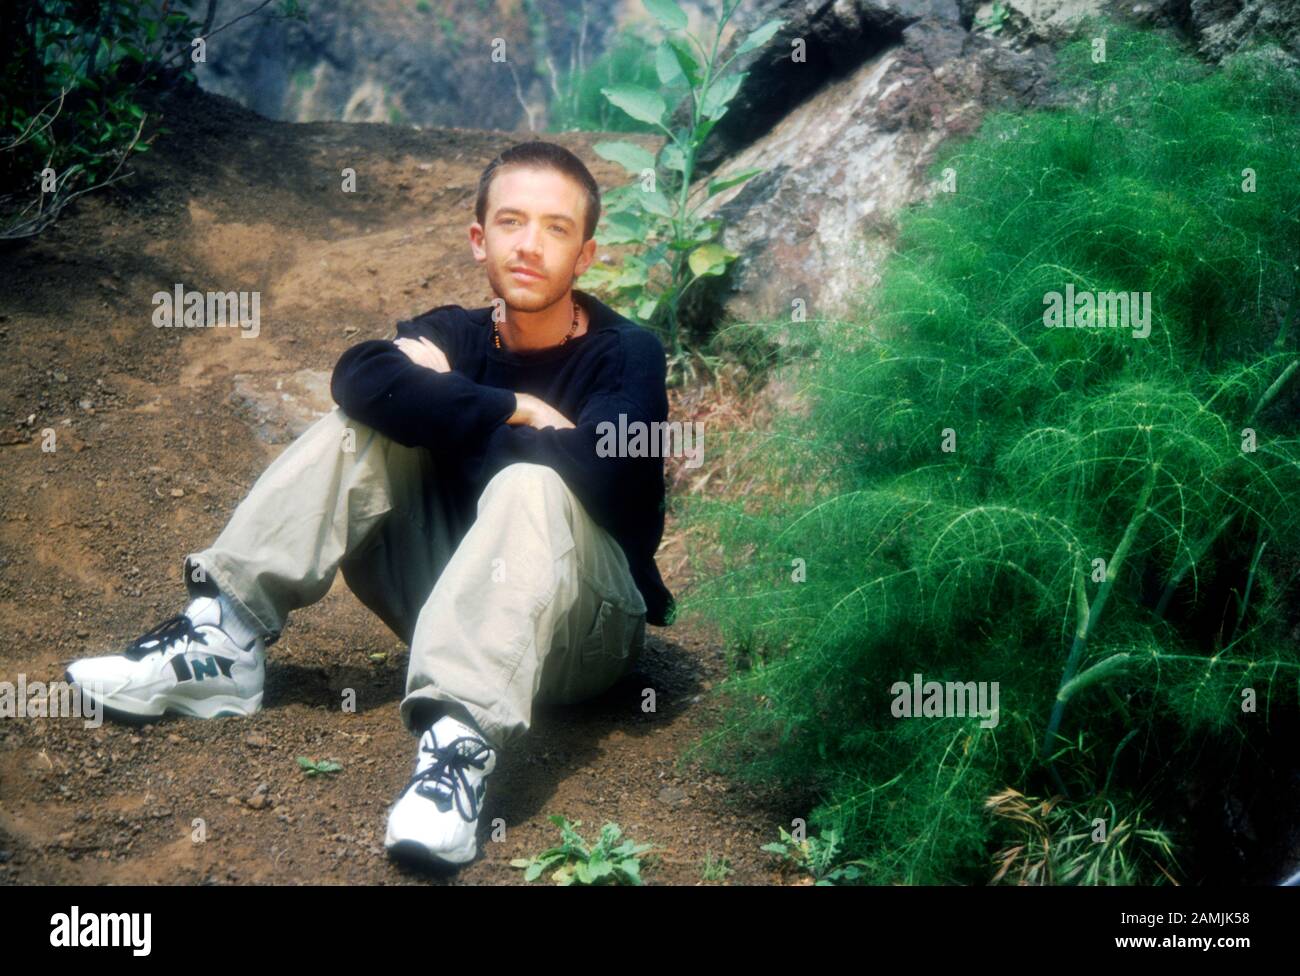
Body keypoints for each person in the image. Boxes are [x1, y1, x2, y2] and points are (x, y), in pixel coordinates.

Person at [63, 140, 677, 870]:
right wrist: (516, 408)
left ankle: (455, 752)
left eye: (556, 228)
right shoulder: (454, 330)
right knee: (364, 427)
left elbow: (603, 470)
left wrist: (444, 413)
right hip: (452, 602)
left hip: (586, 638)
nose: (530, 245)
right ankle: (222, 637)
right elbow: (360, 378)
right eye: (511, 222)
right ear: (478, 239)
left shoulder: (628, 353)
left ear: (585, 256)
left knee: (535, 485)